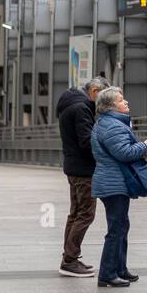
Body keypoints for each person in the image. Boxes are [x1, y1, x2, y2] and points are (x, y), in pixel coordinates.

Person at [90, 87, 147, 289]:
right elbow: (123, 152)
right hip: (113, 184)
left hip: (112, 182)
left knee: (121, 226)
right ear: (111, 106)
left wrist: (141, 148)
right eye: (121, 100)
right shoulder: (113, 126)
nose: (126, 102)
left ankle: (119, 269)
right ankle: (108, 274)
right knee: (116, 229)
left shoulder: (108, 123)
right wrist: (143, 147)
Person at [54, 75, 108, 278]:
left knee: (75, 213)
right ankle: (69, 260)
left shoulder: (71, 103)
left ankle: (70, 257)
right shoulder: (82, 108)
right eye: (102, 98)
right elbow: (86, 141)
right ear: (94, 92)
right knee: (85, 213)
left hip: (73, 166)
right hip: (84, 169)